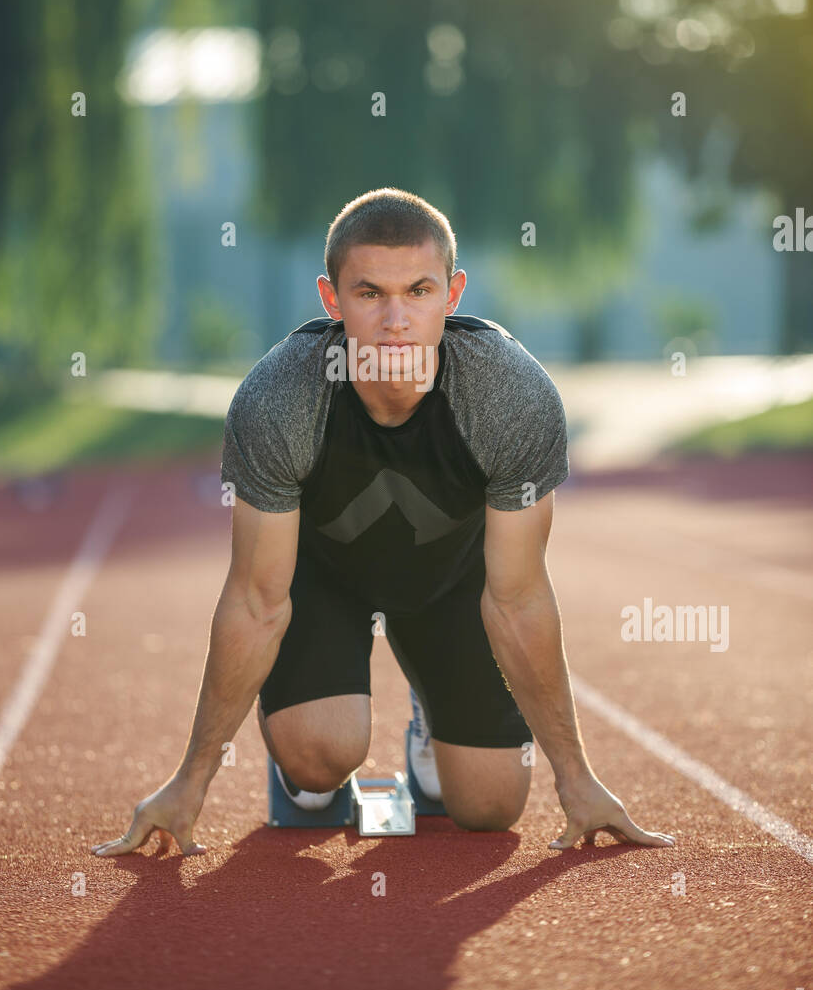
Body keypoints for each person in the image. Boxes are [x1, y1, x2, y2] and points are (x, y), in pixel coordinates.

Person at [92, 189, 674, 857]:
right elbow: (257, 601)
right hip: (325, 583)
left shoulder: (510, 396)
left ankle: (430, 719)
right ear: (330, 299)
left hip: (449, 585)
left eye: (418, 291)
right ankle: (303, 764)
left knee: (489, 808)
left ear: (453, 294)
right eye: (369, 294)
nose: (395, 320)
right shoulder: (280, 398)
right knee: (319, 761)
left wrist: (576, 778)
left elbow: (517, 599)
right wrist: (190, 780)